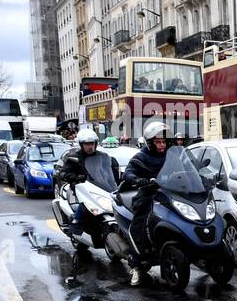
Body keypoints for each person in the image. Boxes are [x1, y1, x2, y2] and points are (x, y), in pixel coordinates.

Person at [120, 122, 170, 284]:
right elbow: (129, 172)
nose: (162, 145)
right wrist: (138, 180)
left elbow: (188, 165)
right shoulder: (142, 156)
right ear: (150, 142)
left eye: (163, 141)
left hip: (171, 193)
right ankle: (136, 263)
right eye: (158, 142)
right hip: (149, 193)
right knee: (141, 218)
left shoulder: (173, 153)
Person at [58, 128, 116, 231]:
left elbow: (110, 169)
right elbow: (63, 173)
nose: (90, 147)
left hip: (101, 186)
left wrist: (116, 173)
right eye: (87, 144)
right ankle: (76, 223)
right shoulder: (74, 157)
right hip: (82, 187)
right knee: (85, 204)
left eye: (92, 144)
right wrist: (75, 177)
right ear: (81, 145)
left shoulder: (102, 156)